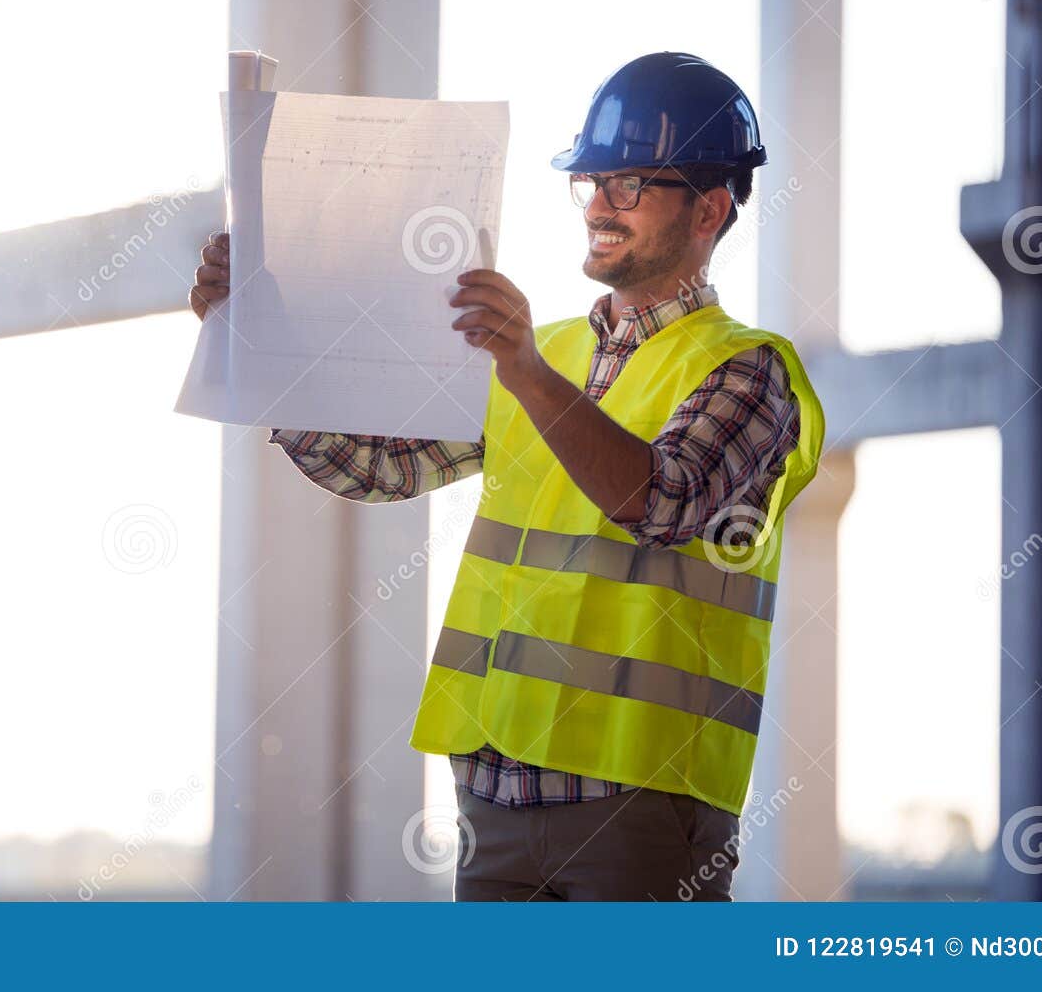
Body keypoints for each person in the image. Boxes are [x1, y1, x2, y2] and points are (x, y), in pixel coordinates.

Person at [189, 52, 824, 901]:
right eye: (591, 182)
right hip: (493, 801)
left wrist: (524, 370)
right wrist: (259, 342)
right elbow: (383, 465)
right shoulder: (545, 351)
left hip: (637, 811)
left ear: (709, 208)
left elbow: (663, 500)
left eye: (630, 184)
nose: (599, 205)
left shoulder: (748, 372)